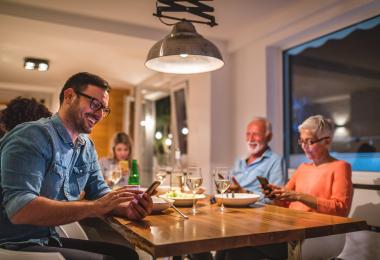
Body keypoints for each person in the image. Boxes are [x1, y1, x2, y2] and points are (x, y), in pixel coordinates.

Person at [0, 72, 153, 260]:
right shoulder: (32, 136)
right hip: (15, 246)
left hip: (50, 238)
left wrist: (127, 209)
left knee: (128, 255)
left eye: (104, 110)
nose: (99, 115)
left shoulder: (86, 146)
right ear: (69, 96)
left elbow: (101, 193)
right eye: (95, 104)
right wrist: (94, 207)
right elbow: (20, 210)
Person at [216, 115, 353, 260]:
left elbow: (341, 209)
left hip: (310, 236)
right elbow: (282, 202)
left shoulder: (340, 167)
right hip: (287, 229)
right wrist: (274, 195)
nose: (304, 146)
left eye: (310, 141)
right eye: (302, 141)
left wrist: (298, 196)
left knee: (235, 235)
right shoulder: (303, 168)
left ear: (327, 141)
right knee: (233, 251)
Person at [229, 117, 286, 202]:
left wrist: (244, 193)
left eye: (256, 134)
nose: (251, 139)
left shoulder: (275, 161)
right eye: (248, 134)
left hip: (255, 211)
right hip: (232, 206)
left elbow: (275, 198)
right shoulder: (240, 160)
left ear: (269, 137)